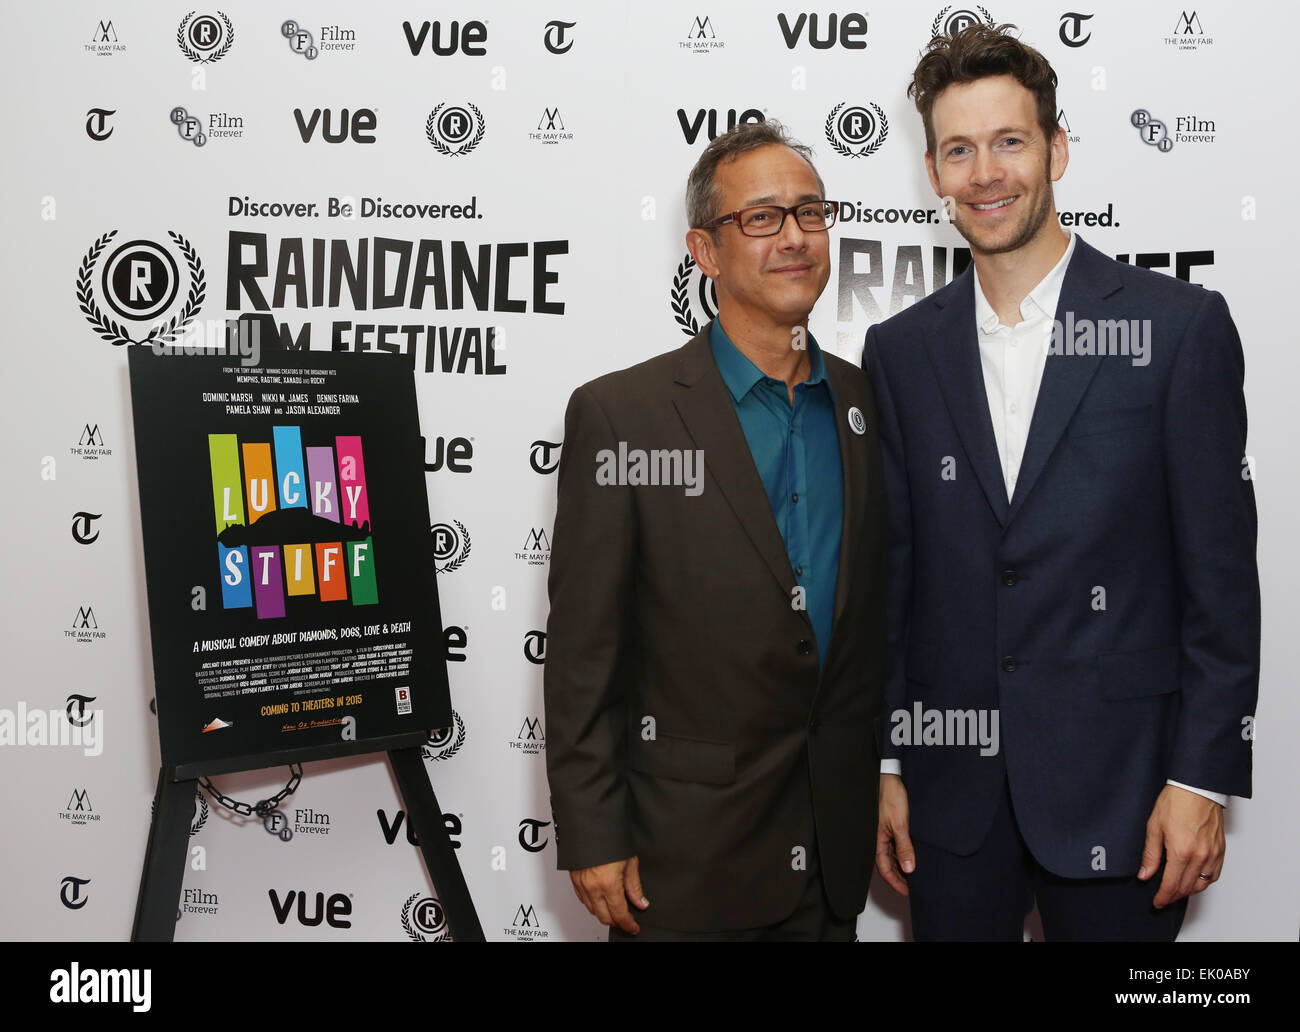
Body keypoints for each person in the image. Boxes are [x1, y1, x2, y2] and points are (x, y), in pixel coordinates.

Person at [864, 24, 1259, 941]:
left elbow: (1221, 584)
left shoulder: (1177, 329)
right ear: (932, 172)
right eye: (959, 150)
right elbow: (894, 580)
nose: (985, 174)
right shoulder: (900, 351)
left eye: (1009, 141)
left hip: (1129, 796)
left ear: (1058, 149)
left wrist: (1200, 778)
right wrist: (887, 760)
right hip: (951, 800)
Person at [544, 121, 886, 940]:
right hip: (684, 861)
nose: (795, 237)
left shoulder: (867, 404)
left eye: (810, 212)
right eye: (761, 218)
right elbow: (586, 649)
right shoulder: (623, 416)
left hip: (832, 854)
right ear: (705, 250)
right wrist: (593, 832)